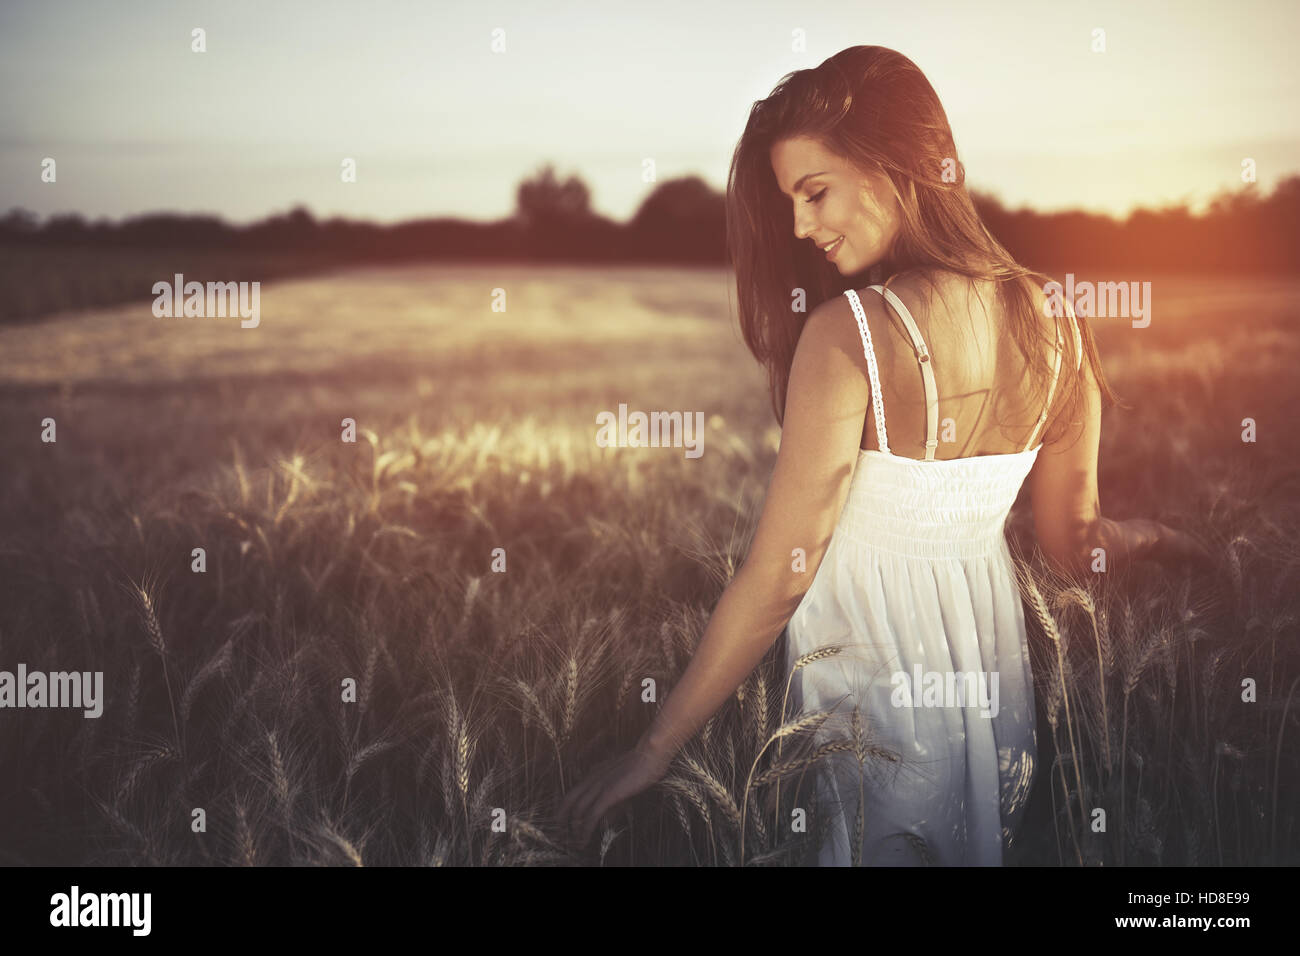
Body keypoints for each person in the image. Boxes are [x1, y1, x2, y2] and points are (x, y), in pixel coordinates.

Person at [556, 45, 1212, 862]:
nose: (800, 226)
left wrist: (654, 749)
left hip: (870, 701)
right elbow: (1075, 546)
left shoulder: (851, 333)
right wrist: (1160, 541)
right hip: (989, 696)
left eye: (814, 192)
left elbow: (782, 571)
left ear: (894, 163)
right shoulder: (1063, 324)